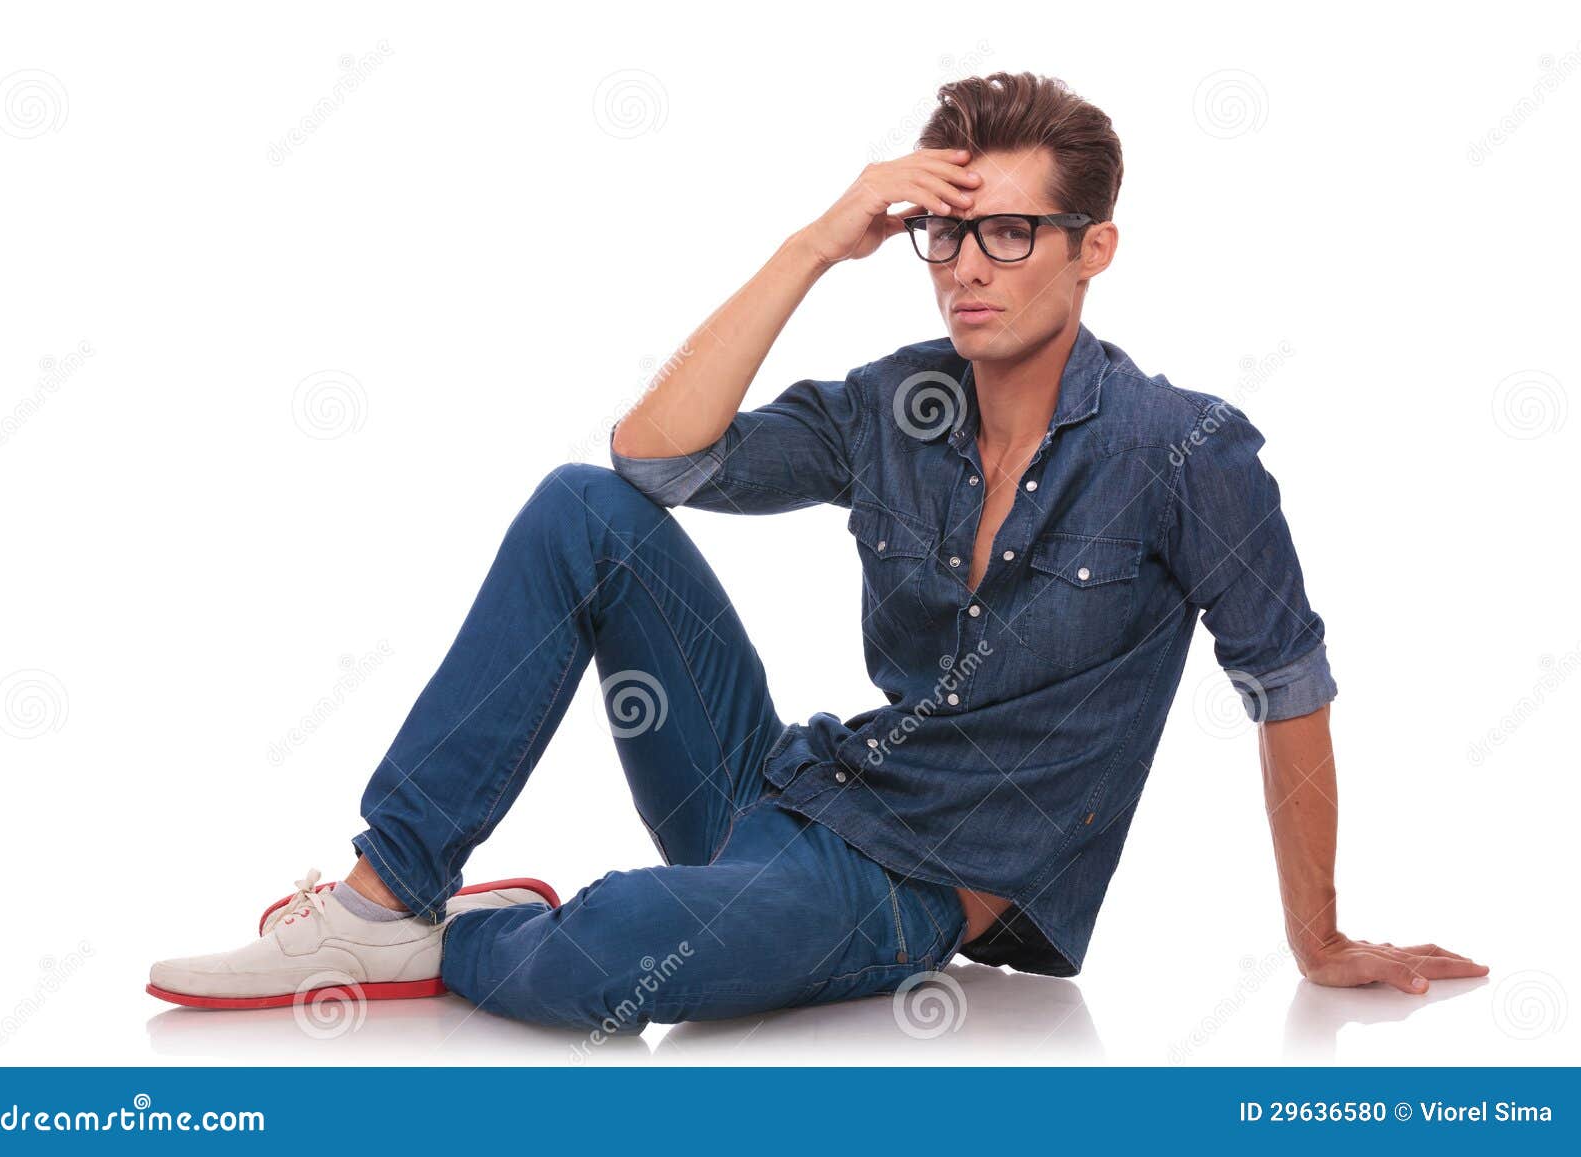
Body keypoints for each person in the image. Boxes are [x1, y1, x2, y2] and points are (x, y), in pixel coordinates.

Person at [148, 71, 1486, 1030]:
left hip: (900, 892)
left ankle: (468, 934)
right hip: (778, 783)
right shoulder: (898, 403)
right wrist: (815, 244)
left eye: (1010, 231)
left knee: (608, 967)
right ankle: (388, 893)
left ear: (1095, 250)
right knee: (578, 507)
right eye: (944, 233)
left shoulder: (1184, 454)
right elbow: (654, 462)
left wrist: (1316, 937)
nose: (969, 265)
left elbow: (1287, 684)